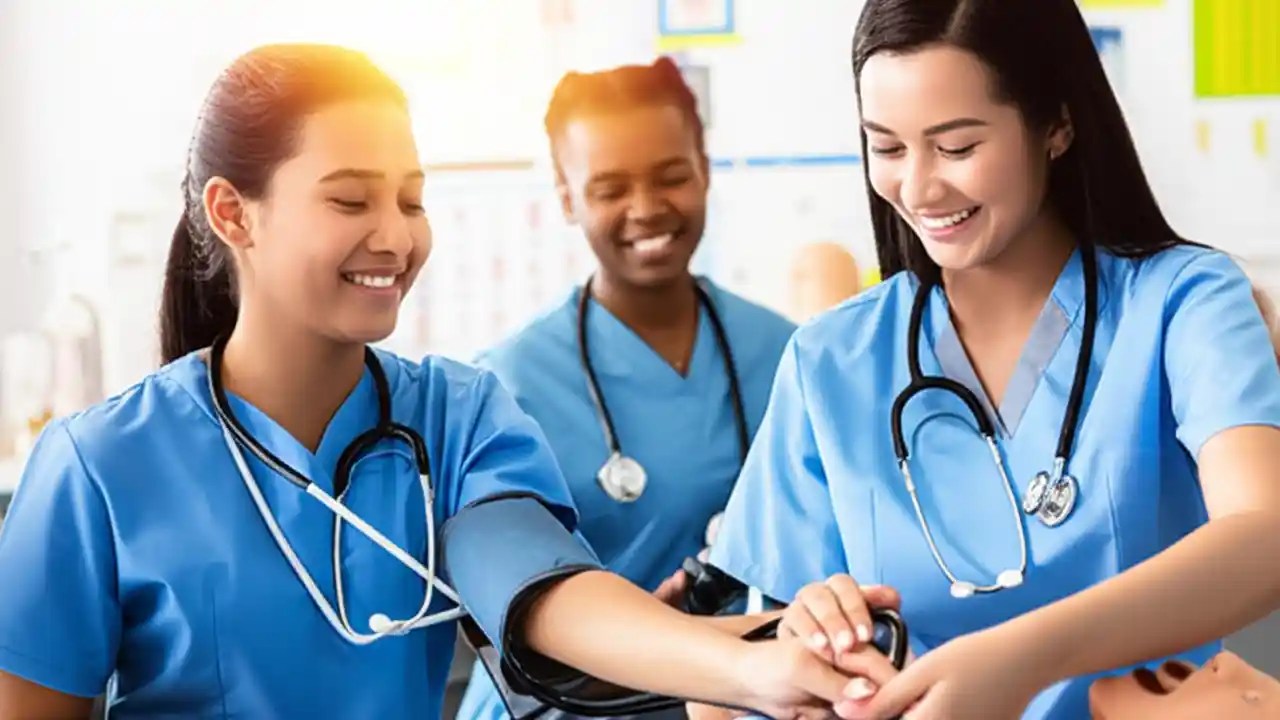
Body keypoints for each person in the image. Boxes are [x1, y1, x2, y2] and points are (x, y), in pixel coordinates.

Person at [0, 44, 875, 720]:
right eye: (351, 202)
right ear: (235, 214)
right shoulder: (96, 467)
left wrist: (758, 663)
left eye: (410, 200)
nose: (395, 236)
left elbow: (545, 591)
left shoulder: (455, 416)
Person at [706, 1, 1280, 718]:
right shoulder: (832, 359)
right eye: (886, 148)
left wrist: (1025, 656)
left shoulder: (1185, 302)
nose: (917, 188)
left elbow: (1265, 537)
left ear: (1058, 125)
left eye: (956, 147)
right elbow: (732, 688)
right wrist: (805, 636)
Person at [456, 57, 798, 720]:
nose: (646, 209)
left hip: (739, 699)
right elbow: (496, 607)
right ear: (564, 195)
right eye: (610, 188)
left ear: (703, 167)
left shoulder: (789, 355)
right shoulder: (507, 385)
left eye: (671, 175)